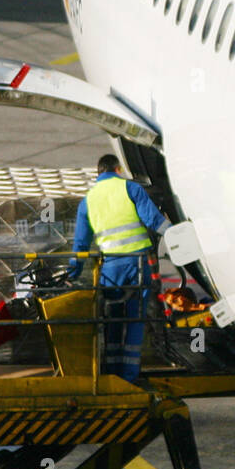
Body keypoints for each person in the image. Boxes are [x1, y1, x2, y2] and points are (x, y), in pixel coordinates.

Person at [68, 153, 171, 384]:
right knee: (134, 318)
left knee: (113, 318)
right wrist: (178, 234)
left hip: (110, 267)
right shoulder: (130, 188)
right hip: (137, 264)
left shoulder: (88, 200)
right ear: (117, 169)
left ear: (98, 173)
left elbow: (81, 243)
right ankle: (130, 376)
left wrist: (73, 271)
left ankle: (112, 374)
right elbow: (154, 221)